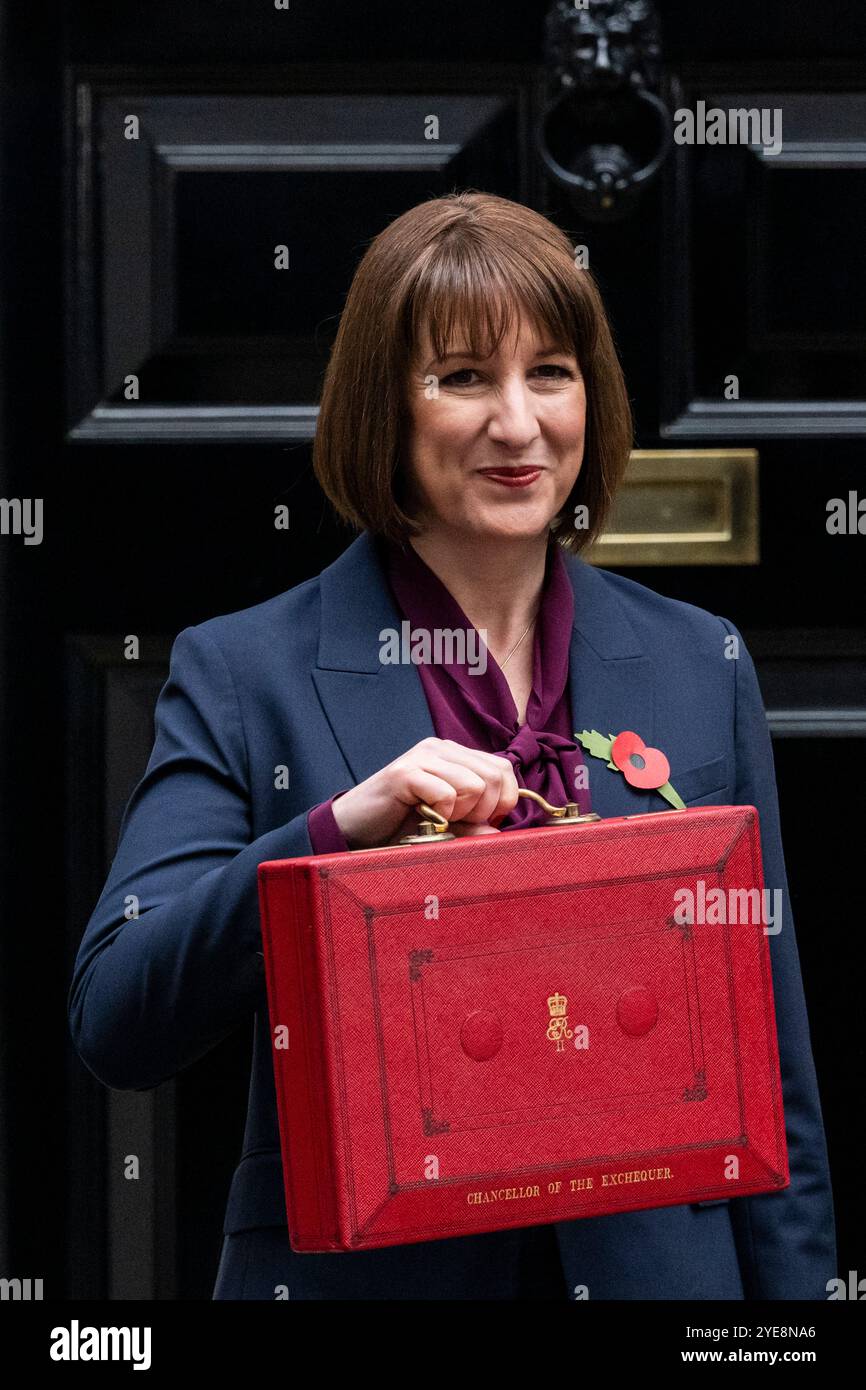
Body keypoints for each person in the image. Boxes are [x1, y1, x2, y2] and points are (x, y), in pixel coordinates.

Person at [68, 191, 836, 1300]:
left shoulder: (694, 659)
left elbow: (777, 1079)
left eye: (552, 373)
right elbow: (117, 1018)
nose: (517, 424)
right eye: (463, 376)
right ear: (386, 403)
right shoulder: (245, 670)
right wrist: (335, 832)